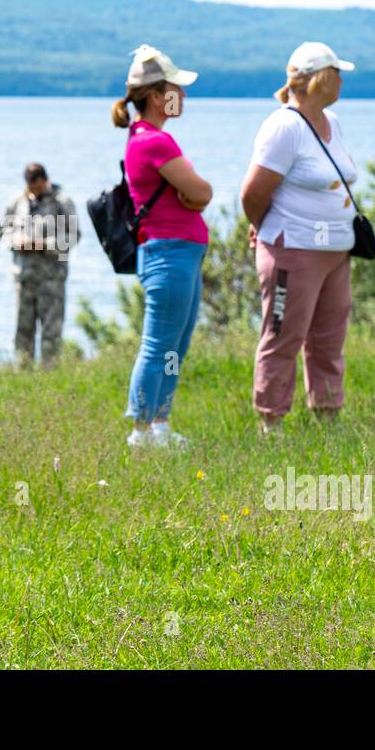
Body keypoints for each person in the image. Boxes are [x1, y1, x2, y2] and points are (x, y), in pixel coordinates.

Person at [240, 42, 359, 436]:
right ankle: (271, 421)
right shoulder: (284, 126)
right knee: (283, 334)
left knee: (329, 335)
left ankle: (327, 414)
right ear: (319, 78)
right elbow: (253, 193)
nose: (342, 79)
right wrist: (263, 228)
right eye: (337, 72)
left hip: (335, 252)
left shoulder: (333, 122)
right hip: (292, 250)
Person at [115, 45, 211, 449]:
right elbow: (202, 192)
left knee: (176, 344)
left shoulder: (151, 140)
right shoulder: (154, 142)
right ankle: (140, 432)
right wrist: (192, 196)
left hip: (178, 253)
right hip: (169, 254)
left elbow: (195, 195)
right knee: (159, 345)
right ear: (157, 95)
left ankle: (159, 426)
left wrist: (192, 196)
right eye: (176, 89)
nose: (183, 96)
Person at [0, 163, 80, 367]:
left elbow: (72, 237)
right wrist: (16, 242)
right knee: (23, 330)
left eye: (38, 187)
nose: (34, 191)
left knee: (51, 331)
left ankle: (49, 375)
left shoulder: (62, 202)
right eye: (30, 187)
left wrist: (44, 245)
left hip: (52, 279)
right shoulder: (17, 202)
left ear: (45, 180)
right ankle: (23, 374)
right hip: (24, 278)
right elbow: (3, 231)